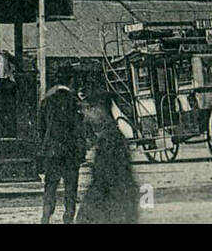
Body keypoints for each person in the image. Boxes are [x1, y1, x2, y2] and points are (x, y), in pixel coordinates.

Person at [76, 92, 138, 224]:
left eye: (88, 109)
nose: (86, 116)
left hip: (114, 203)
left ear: (99, 110)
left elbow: (107, 178)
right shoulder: (111, 135)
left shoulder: (109, 139)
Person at [36, 66, 85, 224]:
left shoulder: (47, 100)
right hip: (70, 152)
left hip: (52, 151)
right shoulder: (74, 101)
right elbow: (79, 129)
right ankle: (68, 217)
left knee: (50, 184)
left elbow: (40, 127)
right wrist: (81, 151)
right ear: (70, 80)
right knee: (71, 187)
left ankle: (46, 215)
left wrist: (46, 145)